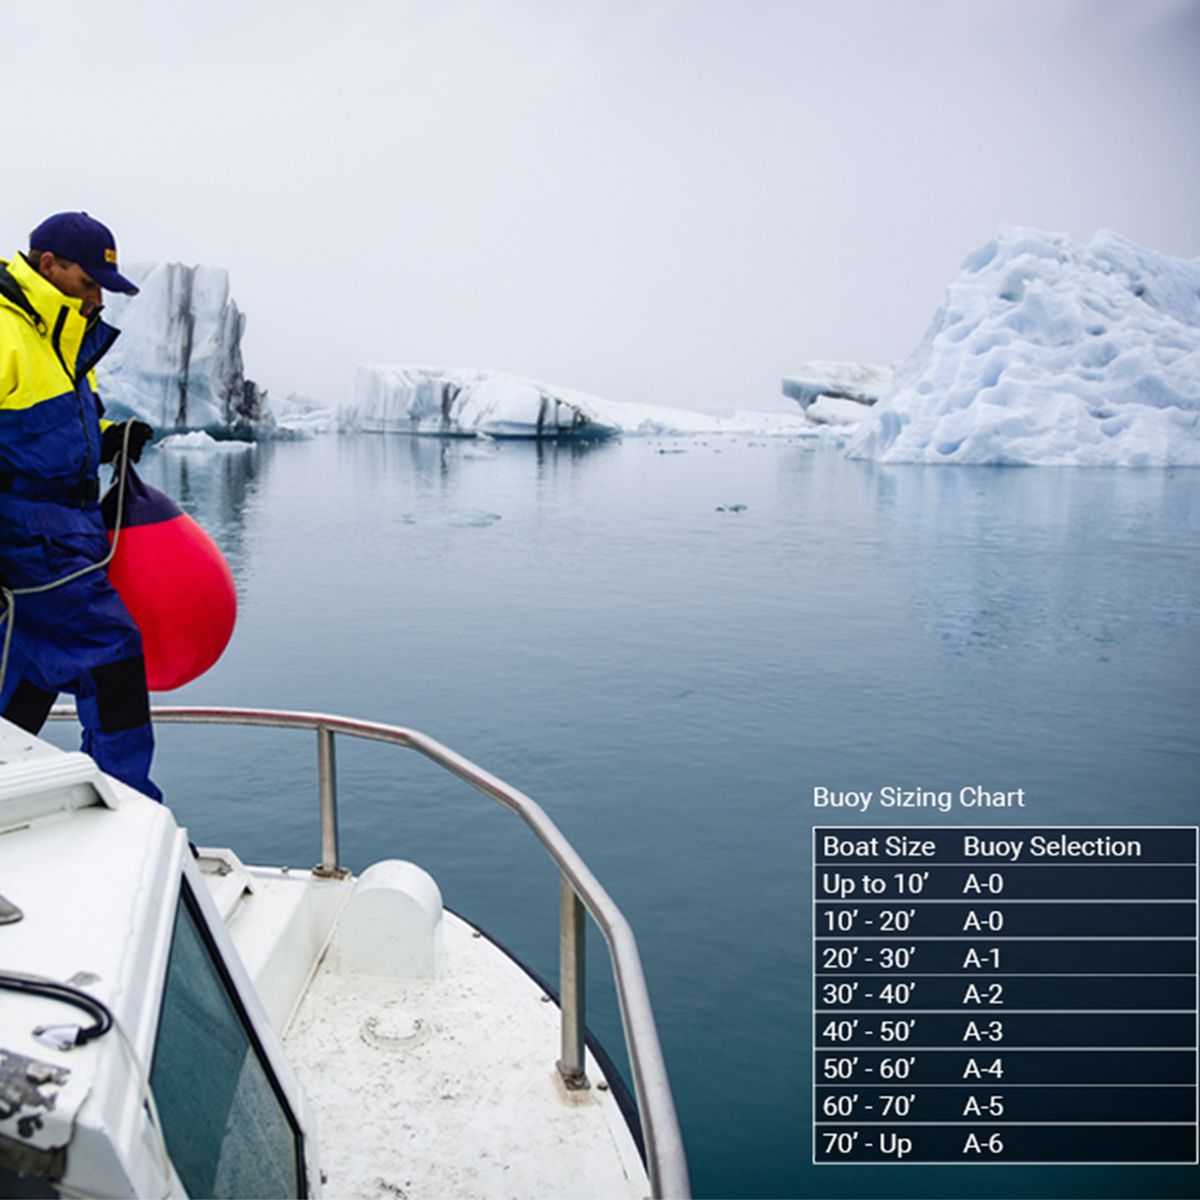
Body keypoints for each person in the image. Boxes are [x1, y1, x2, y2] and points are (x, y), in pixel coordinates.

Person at [0, 212, 161, 801]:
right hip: (29, 545)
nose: (97, 298)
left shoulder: (59, 342)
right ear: (49, 266)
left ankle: (8, 800)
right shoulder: (5, 333)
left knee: (29, 671)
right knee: (112, 656)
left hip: (68, 536)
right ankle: (133, 811)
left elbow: (61, 434)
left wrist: (112, 437)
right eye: (88, 282)